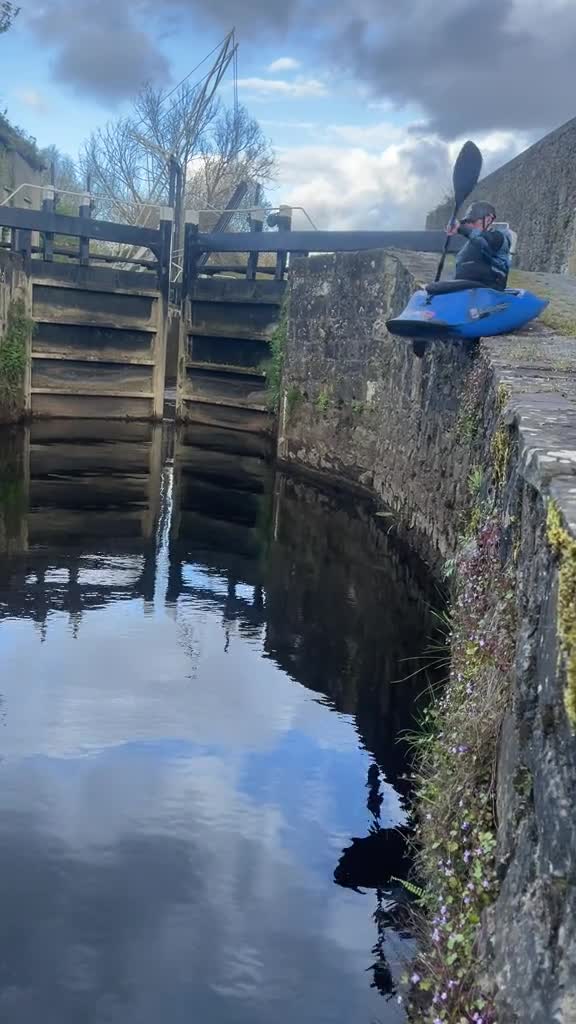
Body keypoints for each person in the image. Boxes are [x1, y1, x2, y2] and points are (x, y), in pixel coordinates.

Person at [447, 201, 512, 290]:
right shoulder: (470, 243)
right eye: (467, 221)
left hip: (491, 288)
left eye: (472, 220)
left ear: (488, 219)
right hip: (466, 288)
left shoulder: (499, 237)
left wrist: (461, 228)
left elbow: (483, 240)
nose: (469, 224)